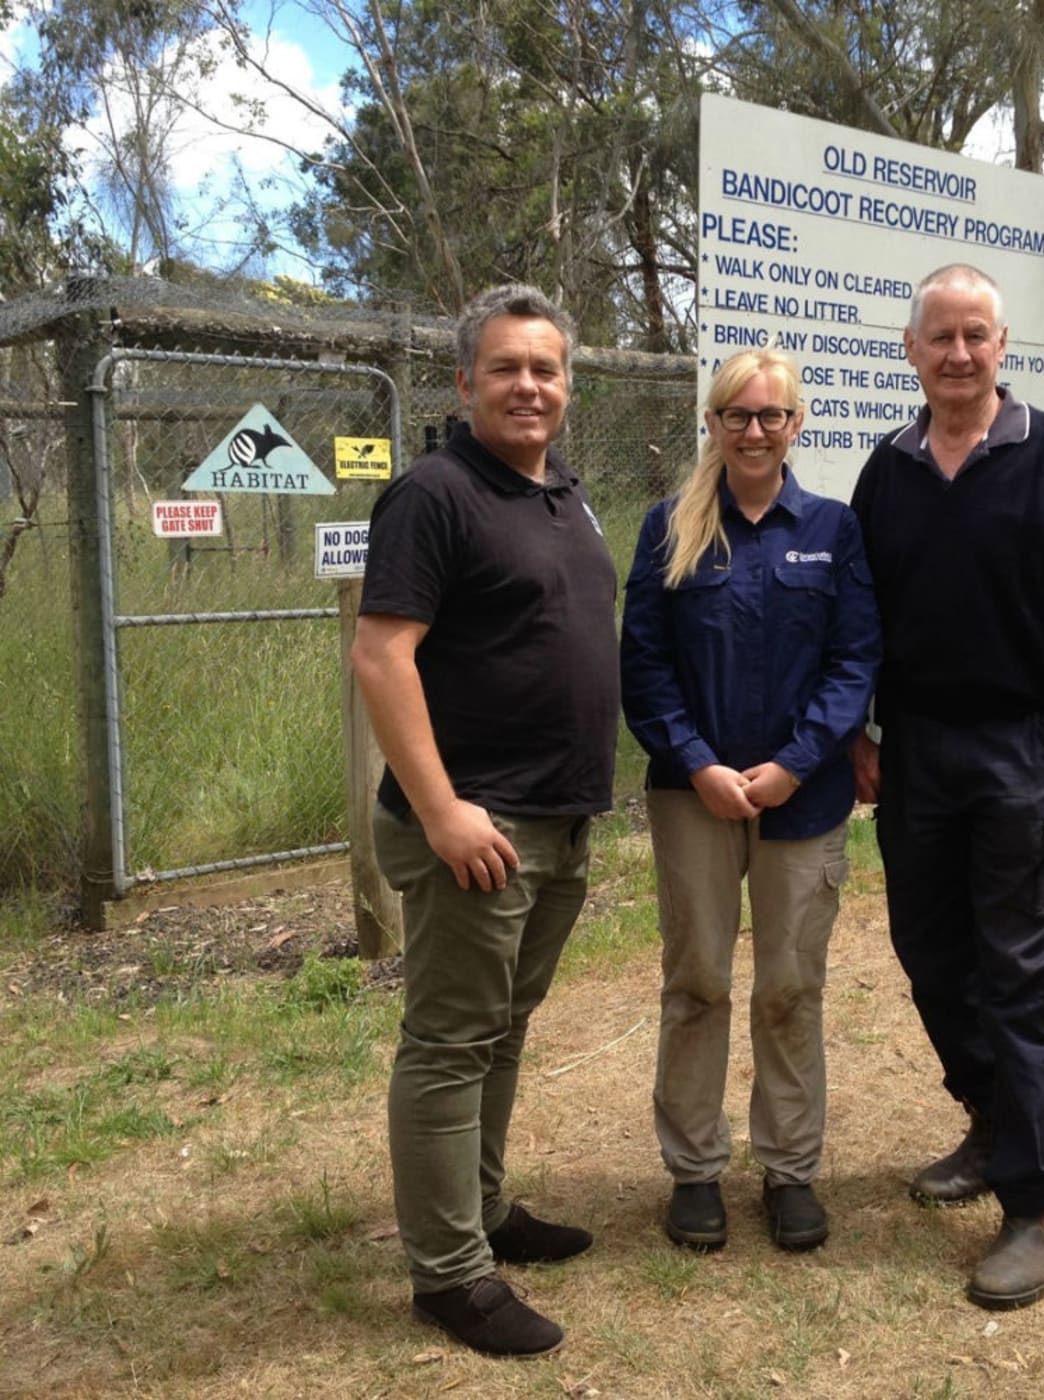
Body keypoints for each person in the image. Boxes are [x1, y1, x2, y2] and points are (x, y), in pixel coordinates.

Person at [850, 264, 1044, 1310]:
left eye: (976, 335)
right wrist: (863, 731)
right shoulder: (887, 467)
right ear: (911, 350)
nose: (958, 354)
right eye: (940, 337)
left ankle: (1030, 1202)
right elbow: (862, 614)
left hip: (1017, 749)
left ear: (1001, 346)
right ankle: (985, 1121)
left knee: (1015, 975)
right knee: (931, 957)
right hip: (913, 753)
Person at [350, 284, 618, 1359]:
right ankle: (450, 1272)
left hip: (554, 821)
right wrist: (443, 807)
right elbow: (381, 654)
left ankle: (487, 1209)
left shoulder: (565, 493)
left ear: (565, 387)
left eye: (545, 369)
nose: (528, 385)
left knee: (502, 1030)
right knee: (450, 1042)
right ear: (465, 383)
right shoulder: (433, 493)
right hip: (474, 826)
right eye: (505, 367)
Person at [621, 348, 880, 1254]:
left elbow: (855, 663)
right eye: (738, 415)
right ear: (714, 424)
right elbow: (644, 665)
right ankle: (694, 1171)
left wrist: (796, 765)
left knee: (789, 986)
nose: (756, 431)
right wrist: (697, 764)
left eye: (772, 415)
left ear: (796, 425)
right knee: (696, 983)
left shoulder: (833, 530)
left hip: (800, 802)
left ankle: (788, 1170)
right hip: (694, 799)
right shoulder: (670, 528)